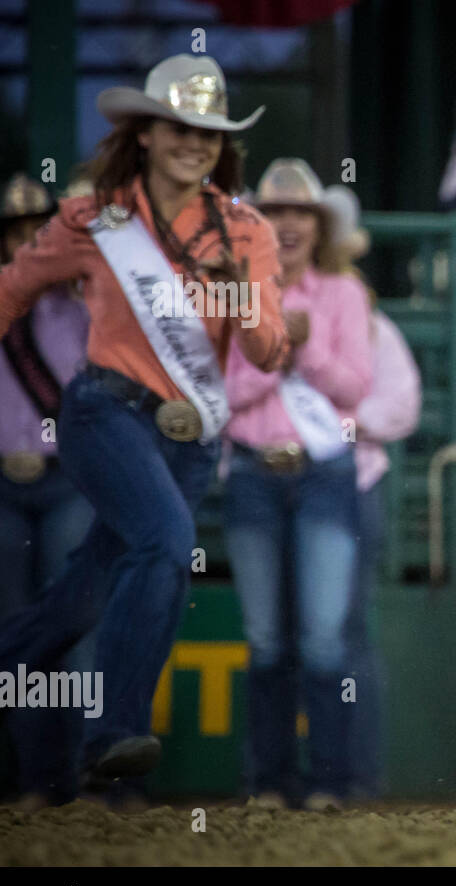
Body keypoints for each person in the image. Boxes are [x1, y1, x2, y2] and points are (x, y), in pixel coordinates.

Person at [0, 54, 286, 783]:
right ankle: (116, 730)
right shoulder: (93, 219)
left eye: (211, 133)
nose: (196, 142)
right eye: (180, 127)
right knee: (165, 539)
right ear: (148, 134)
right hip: (103, 413)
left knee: (82, 599)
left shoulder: (245, 230)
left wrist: (240, 294)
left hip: (190, 438)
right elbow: (14, 288)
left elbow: (268, 351)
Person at [223, 159, 372, 811]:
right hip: (253, 473)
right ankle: (268, 781)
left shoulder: (343, 293)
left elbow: (353, 388)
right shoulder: (231, 295)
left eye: (299, 214)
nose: (287, 225)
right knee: (265, 641)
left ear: (319, 227)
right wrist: (284, 347)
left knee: (321, 637)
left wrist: (303, 348)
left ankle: (330, 782)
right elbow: (222, 394)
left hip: (325, 474)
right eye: (273, 214)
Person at [323, 183, 422, 799]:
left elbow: (400, 406)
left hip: (351, 481)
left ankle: (352, 780)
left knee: (342, 631)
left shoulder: (369, 322)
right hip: (283, 480)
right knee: (281, 637)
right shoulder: (259, 318)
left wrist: (340, 425)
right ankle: (283, 781)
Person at [0, 174, 95, 808]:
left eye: (42, 231)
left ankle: (92, 780)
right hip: (2, 485)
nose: (29, 241)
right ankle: (36, 780)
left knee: (77, 627)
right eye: (17, 232)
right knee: (16, 632)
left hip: (71, 479)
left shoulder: (86, 307)